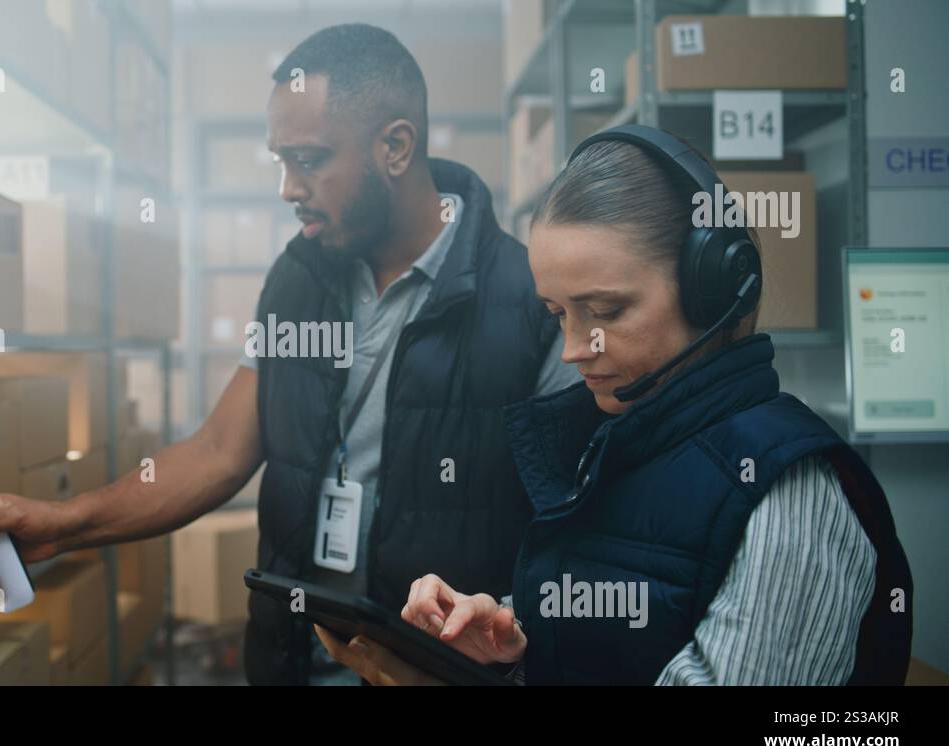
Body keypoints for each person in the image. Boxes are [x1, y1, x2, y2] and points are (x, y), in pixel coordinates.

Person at [0, 23, 579, 685]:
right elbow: (218, 450)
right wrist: (63, 523)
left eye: (308, 159)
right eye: (279, 160)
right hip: (290, 661)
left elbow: (570, 537)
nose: (287, 187)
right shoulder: (298, 278)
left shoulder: (528, 303)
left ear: (395, 147)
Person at [318, 125, 914, 685]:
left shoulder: (787, 494)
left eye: (605, 312)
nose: (576, 349)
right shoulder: (614, 444)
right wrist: (507, 646)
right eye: (557, 315)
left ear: (712, 287)